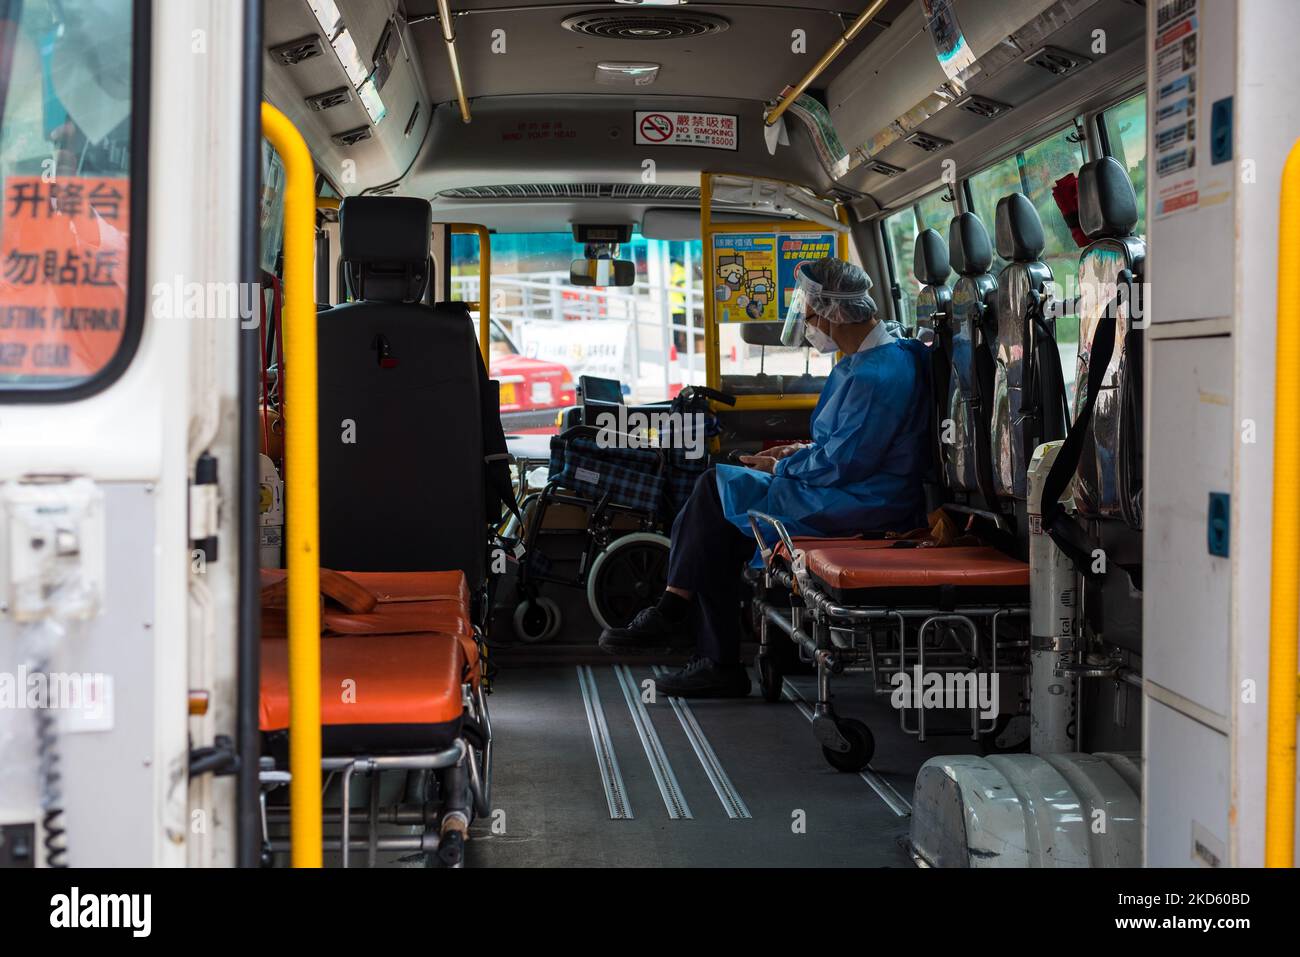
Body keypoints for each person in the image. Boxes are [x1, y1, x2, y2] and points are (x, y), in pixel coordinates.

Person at [599, 257, 932, 697]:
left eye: (810, 314)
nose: (809, 325)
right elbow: (844, 446)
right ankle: (710, 655)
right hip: (848, 488)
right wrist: (796, 451)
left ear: (834, 311)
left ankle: (678, 613)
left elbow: (844, 464)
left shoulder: (876, 374)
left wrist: (780, 465)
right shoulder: (867, 362)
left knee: (712, 489)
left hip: (865, 501)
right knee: (718, 526)